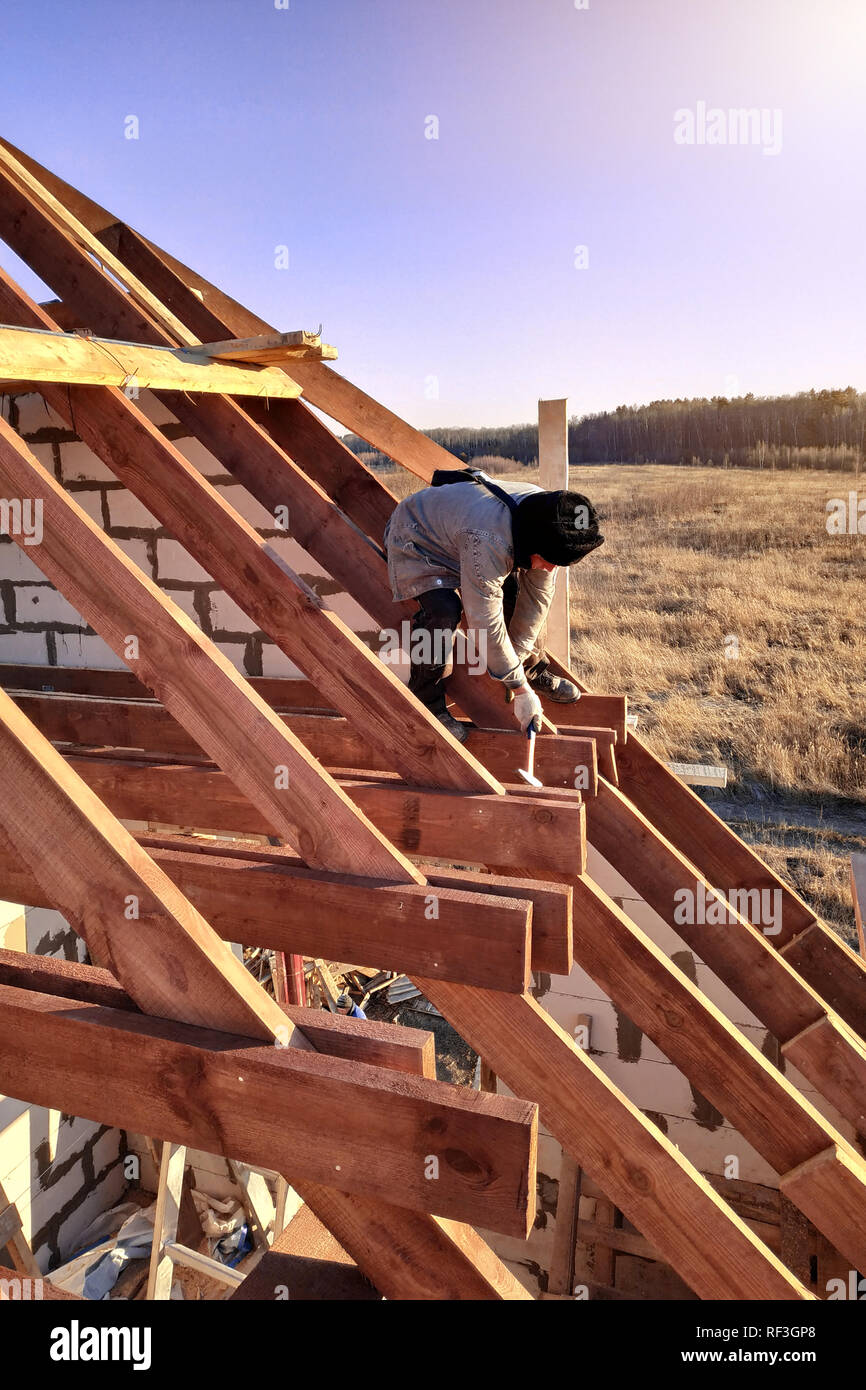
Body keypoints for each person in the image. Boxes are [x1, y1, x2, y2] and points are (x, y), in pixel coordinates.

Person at [384, 463, 604, 741]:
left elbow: (536, 600)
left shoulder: (548, 519)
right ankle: (427, 700)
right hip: (416, 537)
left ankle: (531, 668)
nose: (549, 569)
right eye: (548, 561)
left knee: (514, 592)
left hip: (460, 532)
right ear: (534, 542)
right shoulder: (487, 541)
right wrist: (520, 691)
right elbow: (484, 622)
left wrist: (518, 661)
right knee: (442, 612)